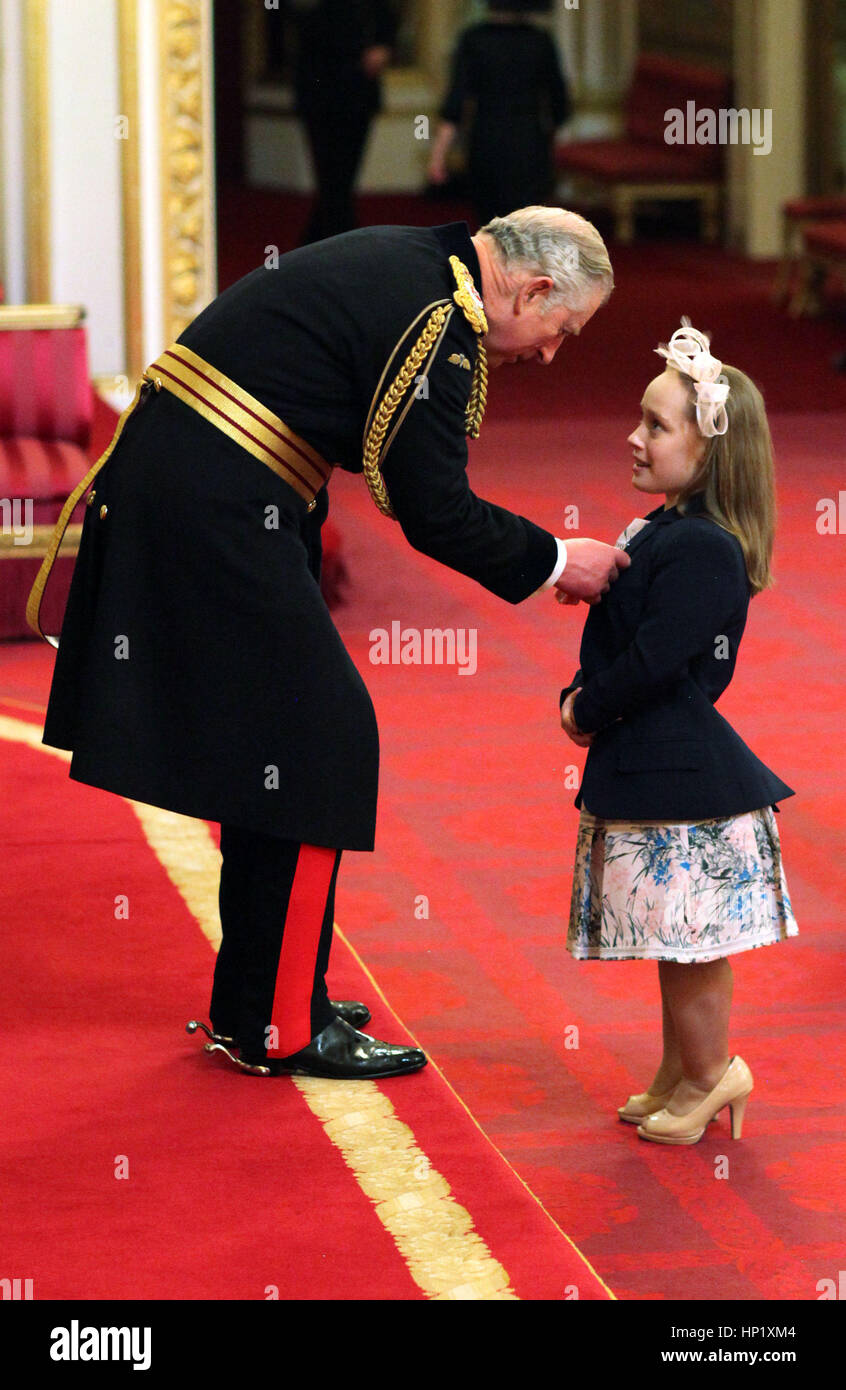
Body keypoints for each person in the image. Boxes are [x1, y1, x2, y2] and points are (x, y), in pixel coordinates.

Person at [30, 205, 628, 1083]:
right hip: (212, 503)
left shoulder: (422, 266)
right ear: (533, 289)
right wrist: (557, 561)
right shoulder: (441, 316)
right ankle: (281, 1022)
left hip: (208, 485)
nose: (549, 354)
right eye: (561, 329)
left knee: (280, 746)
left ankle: (265, 998)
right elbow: (433, 508)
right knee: (320, 744)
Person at [559, 320, 799, 1144]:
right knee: (673, 939)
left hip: (687, 784)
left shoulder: (701, 547)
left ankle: (711, 1074)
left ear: (711, 453)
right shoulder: (670, 530)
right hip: (658, 765)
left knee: (692, 945)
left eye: (655, 426)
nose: (634, 437)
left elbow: (658, 661)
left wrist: (584, 709)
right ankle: (678, 1070)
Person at [428, 1, 571, 226]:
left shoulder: (474, 39)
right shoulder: (540, 40)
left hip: (486, 139)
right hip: (529, 140)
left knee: (490, 224)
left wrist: (438, 156)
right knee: (527, 226)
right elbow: (559, 104)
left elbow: (455, 103)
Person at [285, 0, 397, 244]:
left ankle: (323, 241)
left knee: (344, 175)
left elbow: (386, 14)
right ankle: (340, 241)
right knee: (330, 175)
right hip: (318, 86)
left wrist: (384, 46)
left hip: (358, 87)